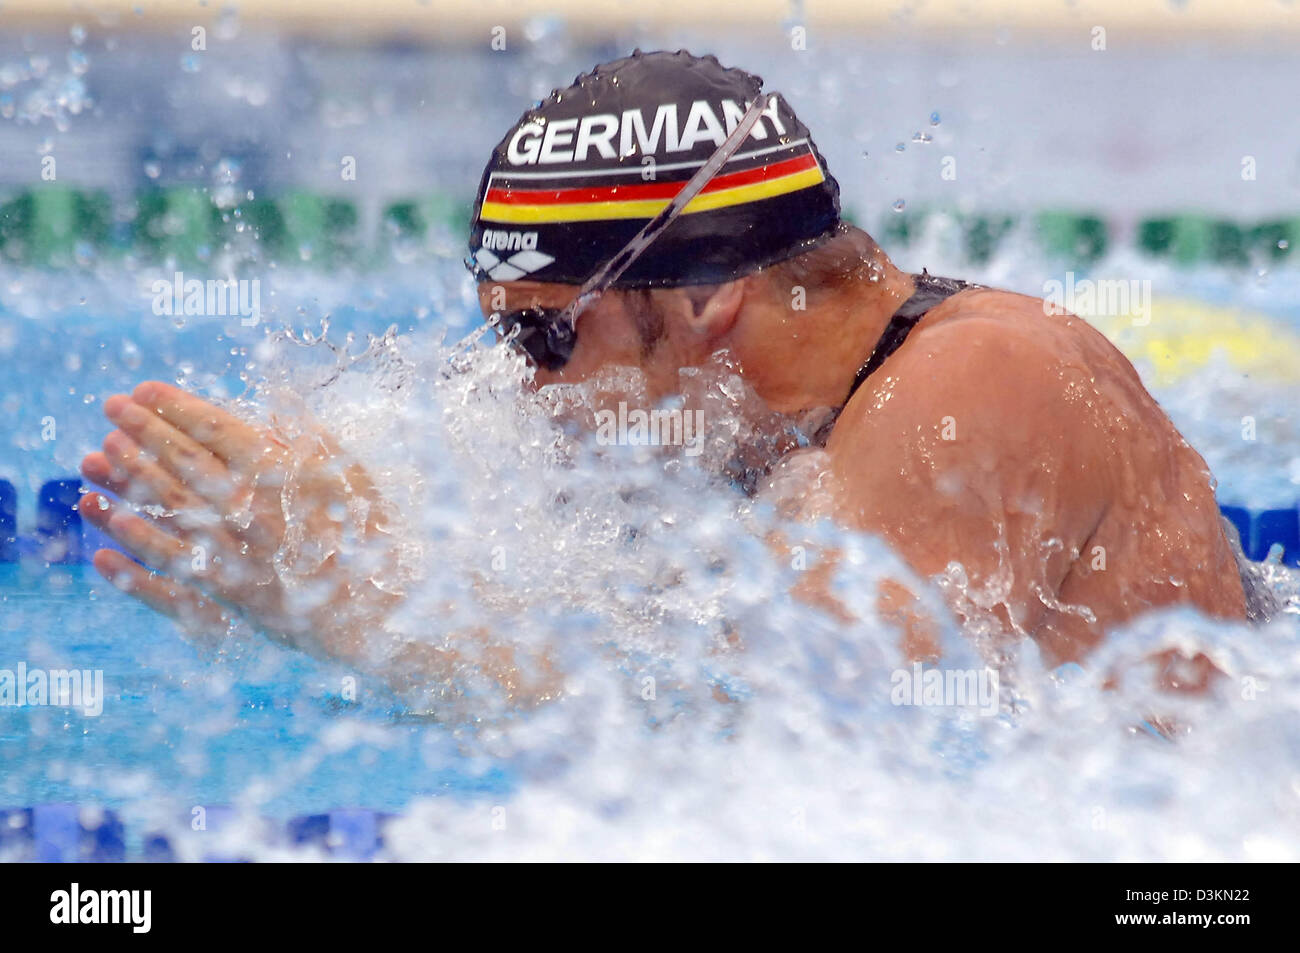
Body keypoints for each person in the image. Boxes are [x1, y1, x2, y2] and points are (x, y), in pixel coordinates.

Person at [78, 50, 1245, 702]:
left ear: (700, 299)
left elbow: (808, 753)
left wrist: (363, 615)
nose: (526, 389)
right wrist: (290, 546)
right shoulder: (754, 426)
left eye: (543, 339)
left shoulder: (983, 379)